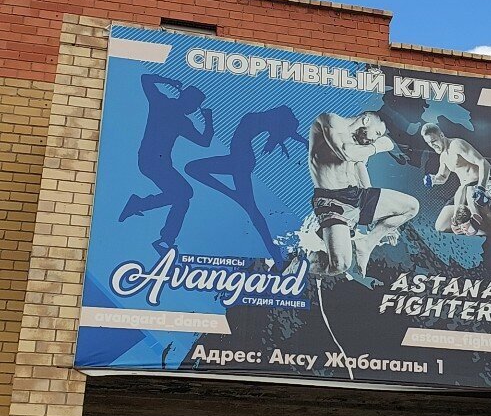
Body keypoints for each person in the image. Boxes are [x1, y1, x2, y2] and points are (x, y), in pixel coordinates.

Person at [186, 106, 306, 267]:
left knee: (193, 168)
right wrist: (299, 140)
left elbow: (287, 131)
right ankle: (272, 249)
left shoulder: (261, 120)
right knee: (193, 168)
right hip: (238, 159)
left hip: (240, 160)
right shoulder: (261, 119)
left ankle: (272, 249)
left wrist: (297, 140)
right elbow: (287, 131)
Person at [309, 111, 419, 277]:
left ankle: (367, 244)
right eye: (377, 133)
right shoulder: (331, 121)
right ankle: (304, 263)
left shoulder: (360, 145)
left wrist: (377, 220)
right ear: (366, 120)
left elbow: (359, 167)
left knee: (411, 207)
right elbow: (344, 153)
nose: (375, 138)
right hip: (332, 201)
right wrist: (381, 145)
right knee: (340, 265)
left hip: (358, 196)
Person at [119, 74, 213, 255]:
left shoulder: (168, 109)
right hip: (152, 161)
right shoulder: (164, 106)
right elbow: (145, 78)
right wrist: (208, 120)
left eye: (195, 107)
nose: (193, 109)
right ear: (186, 99)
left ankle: (164, 238)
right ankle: (143, 210)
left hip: (155, 162)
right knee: (185, 194)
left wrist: (170, 81)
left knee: (182, 198)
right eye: (193, 105)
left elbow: (204, 142)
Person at [421, 123, 491, 236]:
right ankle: (476, 218)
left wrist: (481, 188)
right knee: (441, 226)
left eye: (434, 141)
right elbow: (442, 177)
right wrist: (432, 179)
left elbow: (484, 163)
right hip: (464, 191)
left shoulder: (457, 145)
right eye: (428, 143)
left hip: (482, 186)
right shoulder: (443, 157)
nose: (432, 145)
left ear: (441, 135)